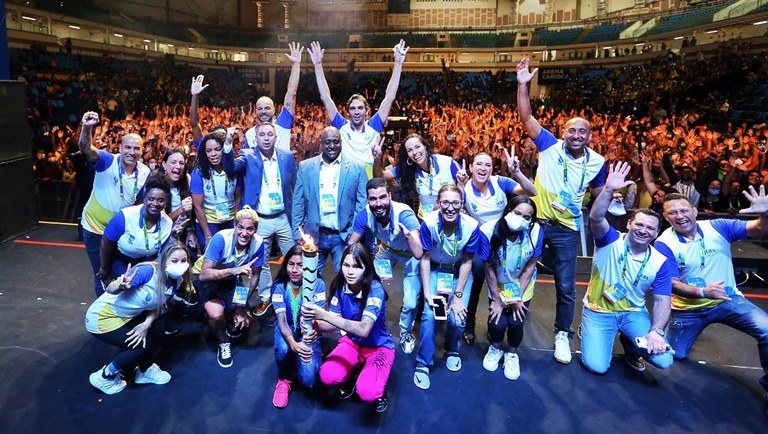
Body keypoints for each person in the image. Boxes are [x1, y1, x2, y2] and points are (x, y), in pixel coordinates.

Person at [516, 57, 606, 364]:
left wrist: (610, 197)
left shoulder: (597, 163)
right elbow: (526, 117)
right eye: (571, 130)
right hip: (538, 222)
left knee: (566, 287)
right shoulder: (548, 145)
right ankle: (511, 321)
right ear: (562, 132)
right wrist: (523, 83)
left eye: (582, 131)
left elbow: (597, 197)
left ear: (590, 136)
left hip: (568, 229)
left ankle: (561, 334)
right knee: (517, 272)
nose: (576, 135)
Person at [654, 189, 768, 412]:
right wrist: (702, 292)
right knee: (676, 355)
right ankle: (670, 326)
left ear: (695, 211)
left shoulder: (718, 226)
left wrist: (766, 214)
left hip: (727, 300)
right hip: (688, 309)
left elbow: (762, 228)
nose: (680, 216)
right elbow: (672, 284)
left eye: (684, 210)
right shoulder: (664, 243)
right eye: (673, 213)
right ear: (666, 217)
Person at [581, 162, 674, 374]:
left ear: (657, 233)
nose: (643, 230)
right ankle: (588, 328)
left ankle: (631, 345)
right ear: (629, 223)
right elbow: (596, 217)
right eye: (639, 225)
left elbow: (662, 300)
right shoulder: (610, 240)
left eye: (650, 228)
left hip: (633, 312)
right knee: (597, 367)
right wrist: (608, 189)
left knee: (664, 360)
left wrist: (656, 332)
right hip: (599, 310)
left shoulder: (659, 261)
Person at [85, 241, 192, 395]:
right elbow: (111, 288)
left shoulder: (177, 281)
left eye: (184, 260)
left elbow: (158, 307)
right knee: (142, 346)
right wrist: (120, 285)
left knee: (159, 326)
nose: (180, 265)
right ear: (163, 261)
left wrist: (146, 324)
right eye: (174, 261)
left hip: (127, 316)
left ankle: (144, 370)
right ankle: (105, 376)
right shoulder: (147, 271)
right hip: (103, 317)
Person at [301, 243, 394, 413]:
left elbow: (364, 329)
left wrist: (323, 314)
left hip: (378, 347)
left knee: (367, 392)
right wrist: (315, 325)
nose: (350, 272)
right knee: (327, 375)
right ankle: (355, 369)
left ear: (366, 268)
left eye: (357, 267)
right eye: (346, 265)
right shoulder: (340, 286)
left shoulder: (375, 290)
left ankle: (378, 384)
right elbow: (332, 323)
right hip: (352, 343)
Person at [462, 149, 537, 345]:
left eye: (487, 164)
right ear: (471, 167)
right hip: (482, 243)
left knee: (508, 280)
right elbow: (454, 206)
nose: (483, 168)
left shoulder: (500, 182)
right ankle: (469, 324)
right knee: (477, 282)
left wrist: (517, 172)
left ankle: (499, 324)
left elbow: (532, 192)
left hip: (508, 240)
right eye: (479, 164)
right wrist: (459, 186)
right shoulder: (465, 187)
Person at [223, 122, 297, 316]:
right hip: (260, 219)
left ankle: (293, 294)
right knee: (260, 262)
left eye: (269, 134)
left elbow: (295, 188)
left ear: (275, 137)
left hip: (283, 217)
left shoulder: (287, 157)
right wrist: (228, 145)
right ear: (256, 138)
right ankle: (266, 297)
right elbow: (230, 167)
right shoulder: (247, 155)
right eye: (262, 134)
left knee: (295, 258)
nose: (266, 138)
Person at [413, 184, 483, 390]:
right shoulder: (428, 223)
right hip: (434, 270)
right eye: (445, 202)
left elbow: (468, 262)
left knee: (458, 318)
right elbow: (424, 258)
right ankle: (423, 362)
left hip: (458, 272)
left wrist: (458, 296)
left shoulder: (472, 226)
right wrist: (427, 293)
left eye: (455, 203)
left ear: (462, 205)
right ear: (438, 204)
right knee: (428, 315)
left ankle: (452, 348)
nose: (450, 207)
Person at [347, 177, 423, 354]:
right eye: (373, 199)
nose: (378, 203)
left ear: (390, 196)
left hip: (409, 254)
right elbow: (351, 244)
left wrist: (409, 236)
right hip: (387, 250)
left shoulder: (404, 214)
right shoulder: (365, 213)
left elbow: (419, 252)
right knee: (366, 284)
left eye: (382, 197)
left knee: (411, 303)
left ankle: (405, 332)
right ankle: (365, 320)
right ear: (368, 200)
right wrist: (353, 268)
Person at [309, 40, 407, 176]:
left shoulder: (374, 126)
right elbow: (325, 97)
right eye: (353, 108)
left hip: (369, 176)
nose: (356, 112)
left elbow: (390, 97)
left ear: (367, 111)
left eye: (360, 108)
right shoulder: (341, 126)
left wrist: (398, 64)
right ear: (347, 112)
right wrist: (318, 66)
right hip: (347, 175)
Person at [78, 111, 151, 296]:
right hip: (94, 227)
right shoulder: (107, 161)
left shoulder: (145, 173)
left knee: (119, 271)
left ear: (142, 151)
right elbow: (86, 148)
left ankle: (118, 309)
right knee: (101, 273)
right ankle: (102, 314)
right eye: (128, 147)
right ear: (120, 147)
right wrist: (87, 127)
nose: (132, 152)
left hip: (119, 231)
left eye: (136, 149)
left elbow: (142, 203)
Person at [192, 205, 265, 368]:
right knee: (217, 315)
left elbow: (255, 277)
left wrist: (242, 306)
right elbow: (204, 274)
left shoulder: (258, 244)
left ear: (255, 230)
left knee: (238, 308)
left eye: (250, 229)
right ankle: (223, 343)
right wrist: (234, 270)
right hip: (204, 277)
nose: (244, 233)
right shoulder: (221, 239)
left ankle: (231, 316)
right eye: (241, 227)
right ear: (235, 226)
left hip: (230, 276)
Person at [480, 196, 543, 380]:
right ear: (508, 210)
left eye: (527, 217)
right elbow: (489, 267)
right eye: (517, 213)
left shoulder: (536, 231)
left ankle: (512, 353)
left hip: (522, 284)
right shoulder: (488, 230)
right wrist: (497, 300)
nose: (521, 219)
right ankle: (497, 347)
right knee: (497, 322)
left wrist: (517, 299)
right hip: (497, 285)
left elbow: (531, 266)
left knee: (516, 321)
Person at [292, 126, 367, 273]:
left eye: (335, 142)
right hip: (313, 235)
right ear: (320, 143)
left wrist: (353, 233)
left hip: (343, 235)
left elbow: (362, 204)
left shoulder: (357, 168)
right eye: (327, 142)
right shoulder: (305, 167)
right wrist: (297, 233)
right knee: (309, 280)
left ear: (341, 143)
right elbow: (298, 202)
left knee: (346, 278)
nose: (332, 146)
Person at [271, 244, 326, 408]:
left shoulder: (319, 285)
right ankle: (283, 379)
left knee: (309, 380)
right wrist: (293, 343)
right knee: (282, 348)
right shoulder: (279, 286)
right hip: (287, 326)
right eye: (291, 264)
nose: (295, 270)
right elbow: (281, 321)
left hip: (309, 330)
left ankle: (316, 356)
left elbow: (320, 318)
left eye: (301, 265)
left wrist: (313, 331)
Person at [99, 175, 174, 280]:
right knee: (129, 283)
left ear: (166, 202)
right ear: (144, 199)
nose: (155, 204)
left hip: (146, 262)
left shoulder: (168, 224)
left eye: (160, 200)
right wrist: (104, 267)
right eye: (151, 199)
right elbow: (106, 242)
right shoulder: (125, 216)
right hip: (121, 260)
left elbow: (164, 254)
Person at [378, 134, 468, 218]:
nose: (415, 152)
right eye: (409, 150)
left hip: (449, 217)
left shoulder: (447, 163)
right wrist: (377, 158)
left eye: (417, 147)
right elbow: (381, 176)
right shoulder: (409, 167)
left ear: (424, 146)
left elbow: (464, 193)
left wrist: (461, 184)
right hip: (426, 220)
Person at [243, 42, 303, 152]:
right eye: (260, 108)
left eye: (267, 108)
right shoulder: (250, 134)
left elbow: (291, 92)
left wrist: (296, 64)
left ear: (274, 110)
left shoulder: (282, 124)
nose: (263, 111)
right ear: (256, 111)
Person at [191, 133, 242, 253]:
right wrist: (208, 235)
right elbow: (197, 207)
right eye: (209, 151)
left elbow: (238, 199)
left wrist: (236, 222)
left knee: (233, 253)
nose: (213, 154)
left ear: (224, 149)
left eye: (217, 149)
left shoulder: (235, 169)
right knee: (213, 254)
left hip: (230, 219)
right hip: (208, 221)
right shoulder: (199, 173)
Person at [157, 148, 197, 253]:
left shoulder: (187, 179)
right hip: (163, 234)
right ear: (164, 164)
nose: (178, 167)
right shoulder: (157, 185)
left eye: (181, 163)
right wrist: (181, 210)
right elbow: (160, 220)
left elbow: (190, 212)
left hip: (183, 232)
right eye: (173, 162)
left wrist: (190, 230)